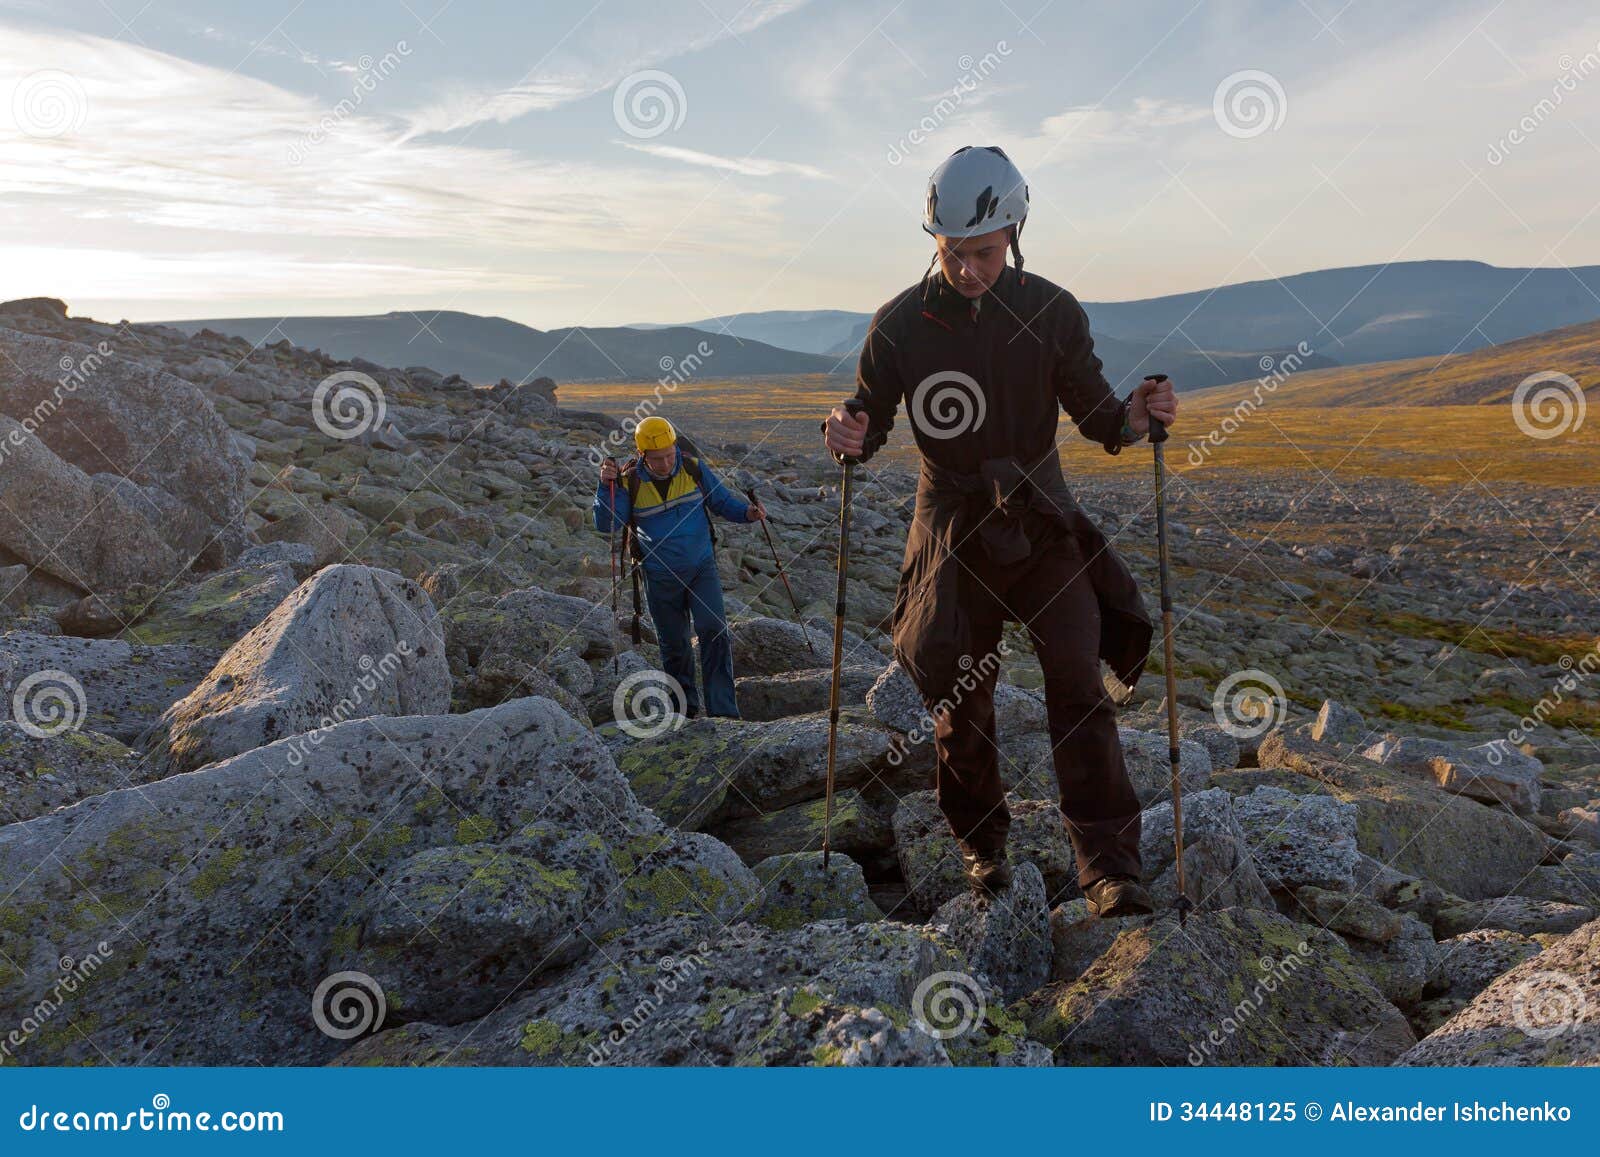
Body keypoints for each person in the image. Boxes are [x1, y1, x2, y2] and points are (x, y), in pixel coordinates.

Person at [821, 145, 1179, 918]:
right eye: (952, 252)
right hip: (952, 526)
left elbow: (1096, 414)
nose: (967, 268)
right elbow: (869, 418)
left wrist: (1135, 417)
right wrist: (847, 432)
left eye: (982, 251)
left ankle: (1111, 868)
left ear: (1014, 231)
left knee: (1078, 680)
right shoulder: (899, 327)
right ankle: (983, 846)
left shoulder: (1051, 311)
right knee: (960, 694)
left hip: (1043, 521)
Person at [595, 416, 765, 719]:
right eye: (657, 458)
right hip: (660, 576)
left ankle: (723, 712)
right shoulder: (627, 482)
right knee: (674, 645)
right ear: (642, 455)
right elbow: (607, 523)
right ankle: (684, 711)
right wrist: (605, 486)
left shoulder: (693, 468)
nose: (665, 463)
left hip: (702, 567)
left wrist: (748, 513)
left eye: (670, 455)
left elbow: (722, 502)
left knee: (714, 630)